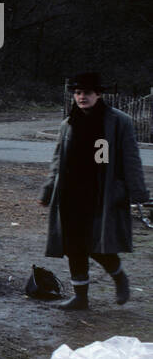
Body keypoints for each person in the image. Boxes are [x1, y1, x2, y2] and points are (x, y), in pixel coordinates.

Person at [40, 71, 149, 310]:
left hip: (102, 194)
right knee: (73, 245)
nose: (81, 97)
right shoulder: (68, 123)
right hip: (70, 194)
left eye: (87, 93)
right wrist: (48, 189)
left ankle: (119, 275)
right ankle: (80, 297)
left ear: (98, 94)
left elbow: (131, 158)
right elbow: (57, 160)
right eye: (78, 93)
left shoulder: (118, 121)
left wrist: (138, 193)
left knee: (97, 244)